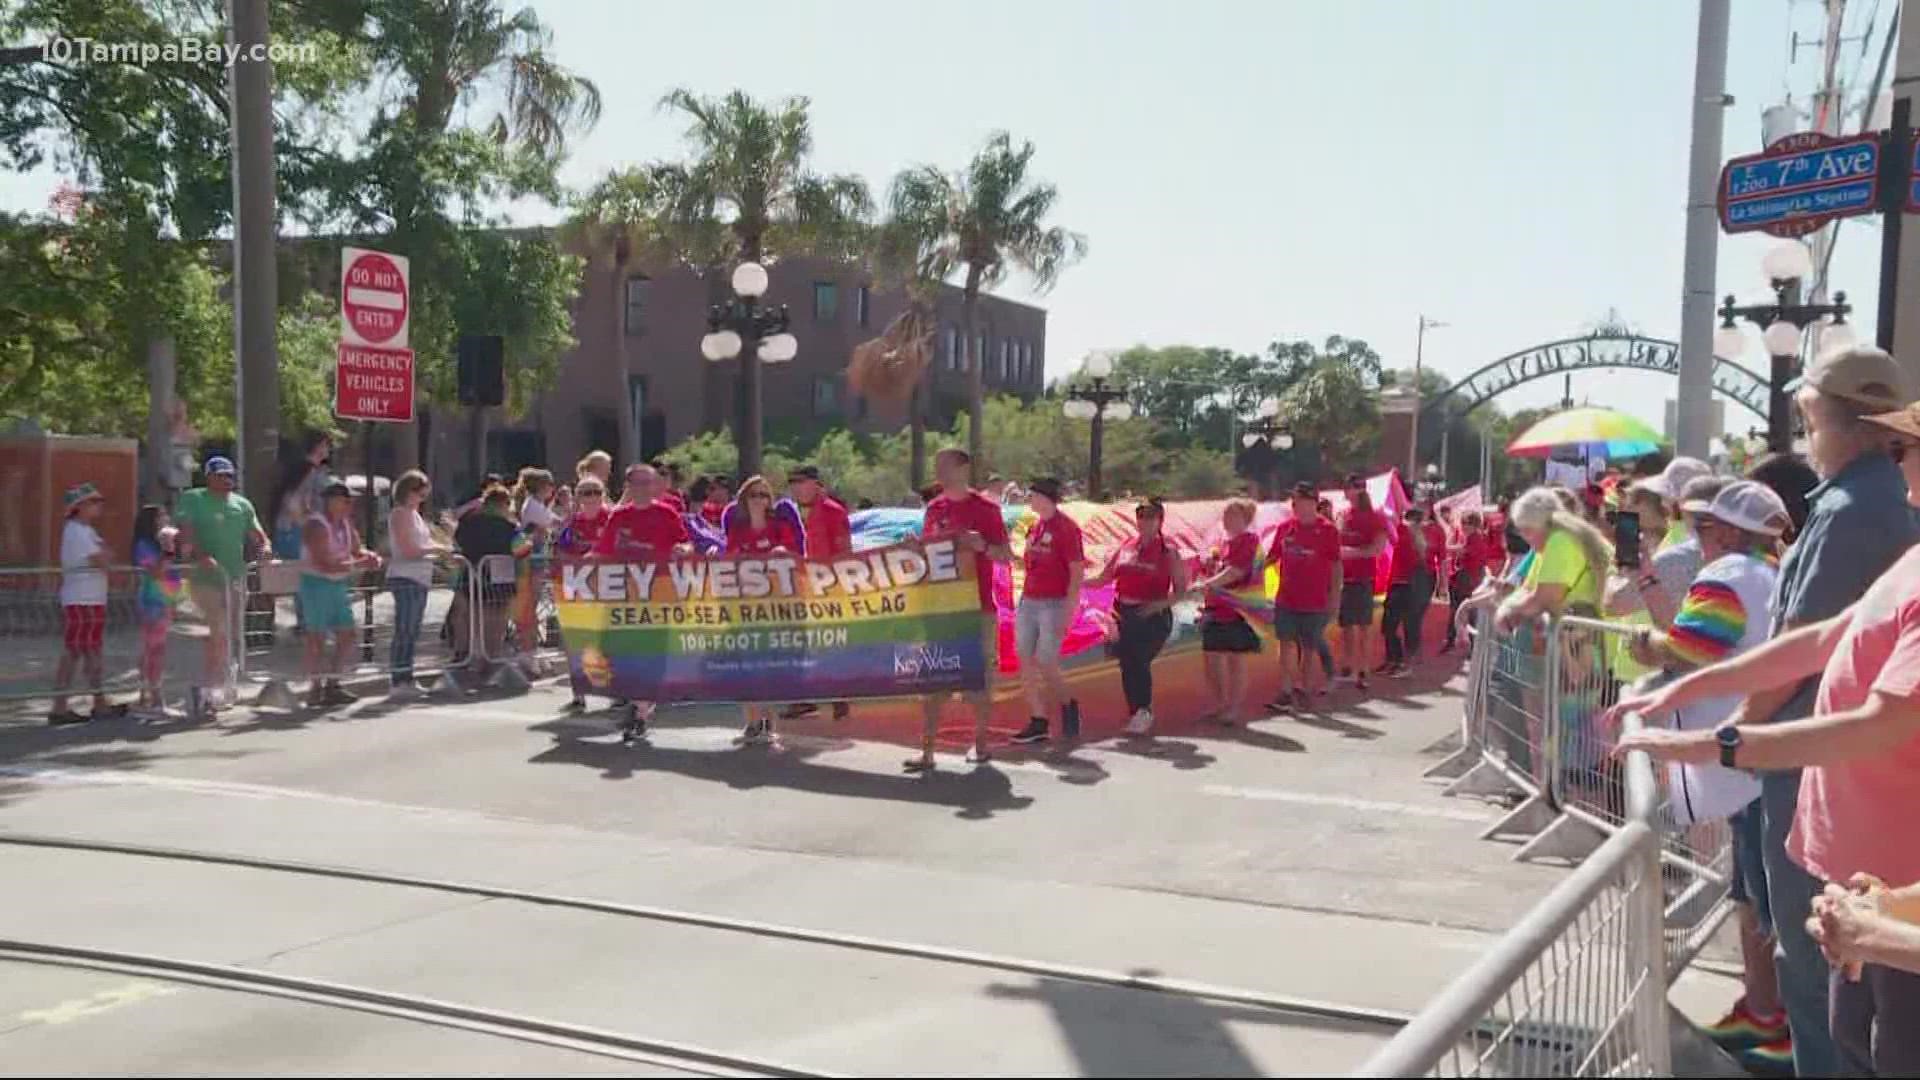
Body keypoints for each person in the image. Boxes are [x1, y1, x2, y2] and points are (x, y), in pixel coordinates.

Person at [1615, 348, 1918, 1078]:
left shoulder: (1854, 510)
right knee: (1844, 1010)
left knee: (1849, 1016)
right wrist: (1683, 698)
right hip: (1854, 835)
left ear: (1824, 418)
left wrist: (1727, 746)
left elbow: (1881, 717)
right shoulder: (1896, 530)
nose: (1907, 462)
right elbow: (1818, 639)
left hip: (1870, 832)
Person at [904, 448, 1012, 773]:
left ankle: (980, 745)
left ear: (964, 468)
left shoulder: (986, 509)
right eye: (937, 465)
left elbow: (1005, 555)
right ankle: (927, 752)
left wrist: (983, 547)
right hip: (942, 610)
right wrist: (914, 548)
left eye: (946, 464)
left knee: (978, 680)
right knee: (933, 680)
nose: (939, 470)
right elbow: (927, 556)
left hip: (978, 608)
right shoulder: (935, 509)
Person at [592, 464, 693, 738]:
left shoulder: (666, 513)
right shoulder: (619, 516)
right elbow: (602, 550)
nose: (643, 488)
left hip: (658, 590)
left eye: (648, 482)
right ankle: (639, 703)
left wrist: (681, 550)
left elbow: (686, 543)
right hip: (624, 591)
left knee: (650, 649)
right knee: (621, 650)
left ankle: (640, 710)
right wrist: (582, 564)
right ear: (628, 485)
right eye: (637, 482)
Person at [1086, 497, 1188, 735]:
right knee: (1126, 662)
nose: (1144, 521)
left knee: (1139, 659)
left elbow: (1181, 589)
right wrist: (1076, 583)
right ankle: (1137, 711)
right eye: (1141, 516)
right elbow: (1104, 577)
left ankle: (1144, 710)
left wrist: (1159, 605)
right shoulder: (1127, 546)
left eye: (1150, 517)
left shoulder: (1168, 551)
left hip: (1152, 614)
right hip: (1123, 612)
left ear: (1160, 520)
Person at [174, 456, 268, 708]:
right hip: (205, 579)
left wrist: (265, 551)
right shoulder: (193, 498)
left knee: (230, 634)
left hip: (235, 579)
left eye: (230, 476)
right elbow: (185, 529)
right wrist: (199, 554)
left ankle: (224, 682)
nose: (227, 480)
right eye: (221, 476)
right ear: (208, 477)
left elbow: (258, 536)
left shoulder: (242, 504)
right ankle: (210, 686)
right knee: (217, 631)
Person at [1009, 477, 1087, 745]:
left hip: (1053, 603)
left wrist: (1070, 609)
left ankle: (1068, 703)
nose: (1029, 501)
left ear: (1045, 497)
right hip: (1029, 600)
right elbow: (1030, 561)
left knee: (1045, 659)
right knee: (1024, 657)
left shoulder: (1066, 528)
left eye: (1032, 496)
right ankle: (1038, 718)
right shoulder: (1035, 527)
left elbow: (1077, 571)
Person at [725, 475, 802, 743]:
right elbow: (729, 558)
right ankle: (751, 721)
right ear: (744, 500)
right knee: (746, 664)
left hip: (776, 606)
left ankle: (769, 721)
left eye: (764, 495)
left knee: (769, 663)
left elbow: (796, 555)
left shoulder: (779, 526)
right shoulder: (738, 528)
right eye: (753, 495)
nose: (759, 500)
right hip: (745, 605)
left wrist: (782, 551)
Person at [784, 465, 854, 722]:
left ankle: (839, 696)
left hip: (826, 586)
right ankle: (802, 698)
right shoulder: (789, 512)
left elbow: (844, 550)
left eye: (800, 481)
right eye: (792, 482)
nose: (795, 486)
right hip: (797, 586)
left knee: (828, 642)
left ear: (815, 483)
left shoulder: (833, 511)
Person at [49, 483, 123, 725]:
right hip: (81, 599)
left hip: (92, 598)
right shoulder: (76, 531)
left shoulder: (87, 531)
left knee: (90, 649)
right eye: (93, 502)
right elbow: (102, 558)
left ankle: (97, 702)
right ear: (79, 507)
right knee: (77, 650)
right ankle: (62, 705)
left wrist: (106, 557)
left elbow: (106, 555)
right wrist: (106, 558)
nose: (99, 505)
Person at [299, 482, 378, 708]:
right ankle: (315, 688)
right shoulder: (316, 525)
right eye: (345, 500)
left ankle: (333, 683)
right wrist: (360, 564)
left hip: (337, 584)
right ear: (331, 501)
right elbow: (324, 564)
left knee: (347, 634)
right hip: (316, 584)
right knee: (317, 638)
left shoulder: (345, 523)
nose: (349, 504)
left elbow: (356, 550)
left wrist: (370, 556)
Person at [1265, 482, 1341, 712]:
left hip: (1315, 600)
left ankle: (1305, 688)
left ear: (1314, 504)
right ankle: (1286, 690)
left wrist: (1335, 596)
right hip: (1287, 598)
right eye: (1296, 502)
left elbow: (1337, 565)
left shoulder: (1328, 530)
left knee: (1308, 647)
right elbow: (1271, 558)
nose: (1298, 506)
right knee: (1286, 643)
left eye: (1304, 502)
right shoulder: (1285, 528)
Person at [1493, 486, 1611, 633]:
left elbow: (1543, 599)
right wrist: (1508, 607)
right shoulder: (1557, 539)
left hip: (1589, 641)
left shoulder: (1561, 540)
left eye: (1527, 531)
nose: (1524, 539)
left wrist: (1506, 611)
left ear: (1540, 525)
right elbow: (1527, 590)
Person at [1195, 498, 1262, 726]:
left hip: (1236, 609)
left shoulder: (1249, 541)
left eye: (1232, 516)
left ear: (1244, 519)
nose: (1227, 520)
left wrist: (1209, 583)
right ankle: (1220, 702)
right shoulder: (1222, 544)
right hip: (1214, 608)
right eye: (1225, 516)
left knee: (1235, 658)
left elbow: (1236, 572)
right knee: (1212, 658)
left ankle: (1234, 706)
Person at [453, 486, 529, 686]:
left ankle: (470, 657)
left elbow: (458, 544)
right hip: (500, 577)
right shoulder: (509, 527)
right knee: (496, 619)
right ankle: (492, 658)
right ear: (505, 504)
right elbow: (522, 550)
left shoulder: (468, 523)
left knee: (472, 616)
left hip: (472, 575)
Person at [387, 470, 446, 697]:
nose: (422, 499)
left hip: (420, 577)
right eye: (419, 494)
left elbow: (424, 543)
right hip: (405, 576)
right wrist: (437, 549)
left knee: (412, 630)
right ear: (408, 491)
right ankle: (398, 679)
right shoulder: (400, 514)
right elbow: (408, 549)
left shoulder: (415, 515)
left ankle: (407, 677)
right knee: (405, 628)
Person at [131, 504, 185, 721]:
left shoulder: (157, 543)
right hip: (152, 601)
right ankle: (154, 699)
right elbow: (154, 572)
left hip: (164, 600)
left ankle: (146, 696)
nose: (166, 519)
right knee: (154, 650)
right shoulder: (144, 545)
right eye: (161, 516)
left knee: (154, 650)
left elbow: (170, 573)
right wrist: (168, 551)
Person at [1336, 475, 1388, 692]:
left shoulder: (1375, 517)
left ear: (1359, 490)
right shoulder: (1344, 515)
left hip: (1363, 578)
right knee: (1347, 624)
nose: (1345, 493)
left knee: (1363, 625)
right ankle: (1348, 666)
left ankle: (1363, 668)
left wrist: (1352, 554)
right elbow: (1335, 541)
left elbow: (1378, 548)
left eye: (1349, 488)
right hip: (1343, 578)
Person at [511, 467, 559, 656]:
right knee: (530, 603)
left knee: (533, 602)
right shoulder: (533, 506)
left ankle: (530, 646)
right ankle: (527, 647)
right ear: (543, 486)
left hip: (536, 554)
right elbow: (556, 524)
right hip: (532, 556)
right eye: (550, 485)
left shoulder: (535, 504)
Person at [1379, 506, 1422, 677]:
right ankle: (1394, 661)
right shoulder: (1412, 539)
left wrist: (1386, 514)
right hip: (1402, 586)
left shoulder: (1406, 537)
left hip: (1401, 587)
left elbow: (1392, 525)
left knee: (1390, 626)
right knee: (1393, 626)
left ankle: (1398, 661)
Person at [1442, 510, 1490, 652]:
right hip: (1468, 579)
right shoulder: (1472, 538)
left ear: (1474, 525)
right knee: (1459, 611)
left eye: (1466, 523)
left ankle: (1471, 645)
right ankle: (1453, 640)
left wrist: (1448, 543)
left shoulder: (1475, 538)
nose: (1463, 526)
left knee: (1466, 612)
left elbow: (1461, 551)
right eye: (1462, 523)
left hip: (1469, 580)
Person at [1408, 505, 1446, 663]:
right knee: (1411, 613)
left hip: (1426, 574)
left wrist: (1443, 583)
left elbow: (1442, 557)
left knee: (1417, 613)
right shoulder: (1408, 527)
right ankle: (1412, 650)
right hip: (1409, 573)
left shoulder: (1437, 530)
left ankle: (1414, 651)